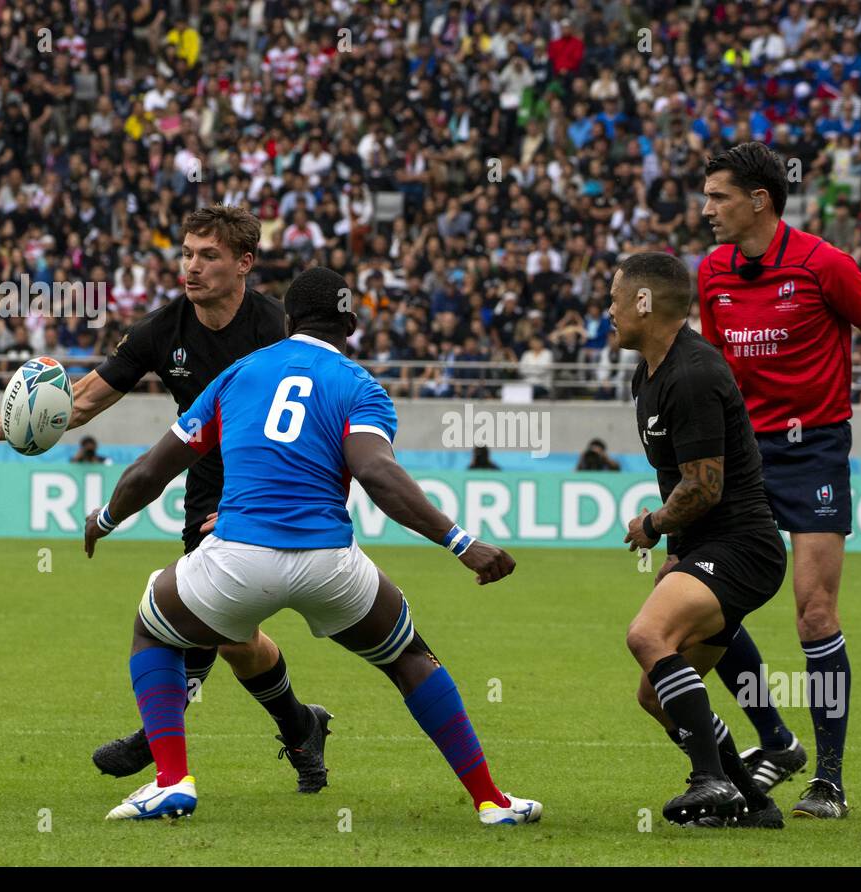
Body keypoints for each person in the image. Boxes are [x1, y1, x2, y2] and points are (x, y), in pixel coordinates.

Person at [85, 266, 541, 826]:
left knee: (154, 628)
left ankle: (172, 780)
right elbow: (377, 473)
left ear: (287, 319)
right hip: (330, 565)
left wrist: (105, 518)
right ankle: (491, 801)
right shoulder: (360, 386)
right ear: (350, 323)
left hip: (237, 559)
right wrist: (460, 541)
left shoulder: (237, 374)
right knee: (410, 658)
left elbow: (152, 470)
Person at [0, 206, 332, 792]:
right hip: (205, 492)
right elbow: (83, 401)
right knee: (233, 639)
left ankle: (158, 742)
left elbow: (330, 409)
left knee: (196, 619)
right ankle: (302, 728)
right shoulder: (161, 330)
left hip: (273, 489)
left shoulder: (278, 328)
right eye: (186, 253)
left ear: (245, 262)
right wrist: (2, 426)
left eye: (208, 256)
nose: (191, 268)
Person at [697, 143, 861, 818]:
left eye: (719, 197)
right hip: (741, 456)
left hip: (813, 454)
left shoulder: (822, 265)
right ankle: (776, 741)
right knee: (704, 608)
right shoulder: (713, 272)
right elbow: (716, 374)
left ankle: (830, 780)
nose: (707, 210)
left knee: (814, 615)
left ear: (759, 201)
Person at [613, 252, 786, 829]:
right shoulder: (650, 373)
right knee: (654, 696)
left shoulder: (691, 374)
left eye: (615, 299)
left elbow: (703, 487)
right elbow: (678, 478)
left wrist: (653, 527)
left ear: (643, 303)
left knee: (646, 634)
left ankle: (708, 780)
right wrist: (677, 556)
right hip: (710, 549)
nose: (608, 312)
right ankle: (752, 804)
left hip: (743, 547)